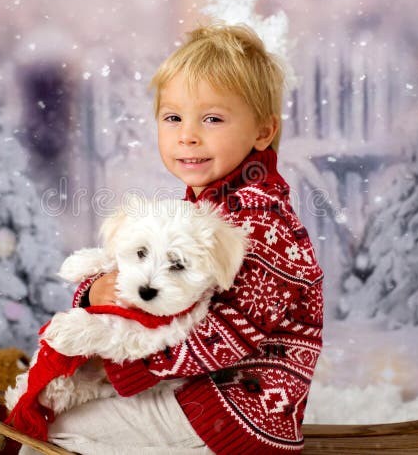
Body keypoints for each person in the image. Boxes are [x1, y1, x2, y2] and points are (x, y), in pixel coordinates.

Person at [29, 23, 324, 455]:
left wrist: (123, 366)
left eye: (212, 119)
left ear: (263, 132)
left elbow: (227, 334)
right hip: (201, 390)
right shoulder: (210, 203)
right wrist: (96, 293)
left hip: (239, 409)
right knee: (65, 416)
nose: (188, 134)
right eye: (173, 118)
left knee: (59, 433)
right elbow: (150, 285)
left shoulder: (259, 219)